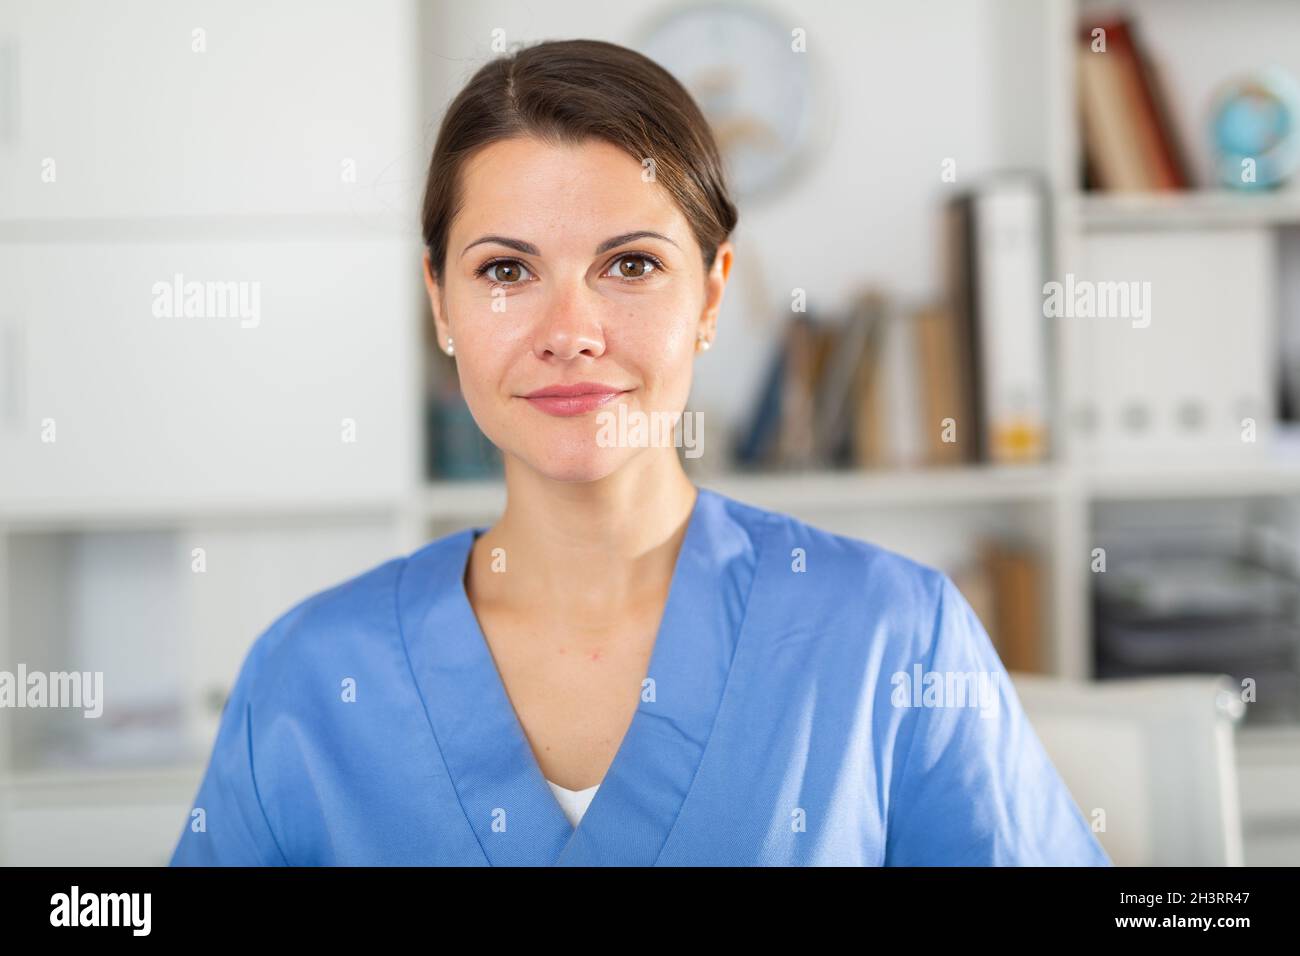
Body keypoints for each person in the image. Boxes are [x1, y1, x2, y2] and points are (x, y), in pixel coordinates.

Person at [169, 38, 1110, 867]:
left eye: (631, 265)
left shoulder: (891, 636)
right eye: (505, 270)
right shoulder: (305, 676)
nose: (569, 332)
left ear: (710, 297)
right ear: (440, 303)